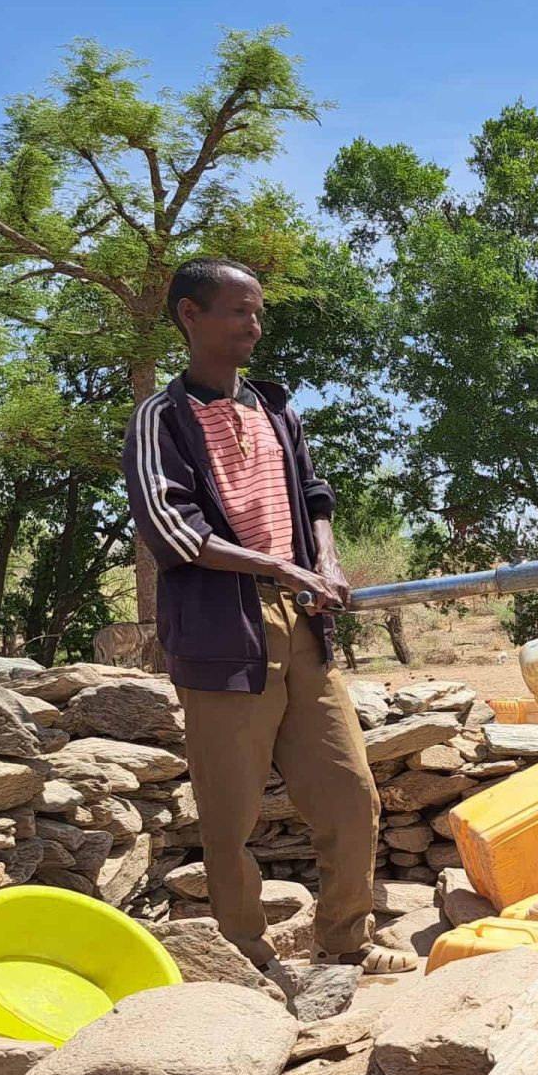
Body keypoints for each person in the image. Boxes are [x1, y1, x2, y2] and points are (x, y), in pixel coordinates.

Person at [123, 257, 415, 986]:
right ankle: (243, 955)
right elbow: (172, 530)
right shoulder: (160, 419)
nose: (255, 325)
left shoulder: (276, 409)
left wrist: (325, 562)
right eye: (237, 311)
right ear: (190, 316)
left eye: (257, 312)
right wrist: (276, 568)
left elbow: (314, 498)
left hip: (303, 627)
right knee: (230, 818)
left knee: (352, 796)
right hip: (224, 632)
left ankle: (344, 939)